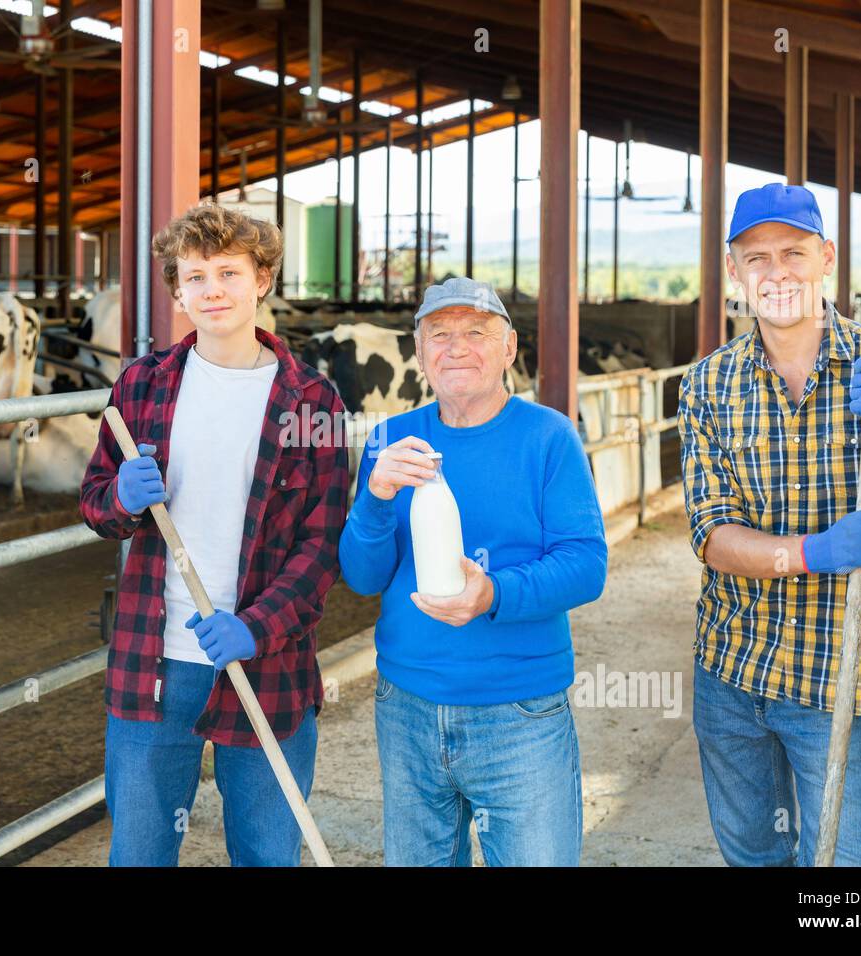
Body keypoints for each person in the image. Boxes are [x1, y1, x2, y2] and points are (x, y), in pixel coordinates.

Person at [678, 182, 861, 866]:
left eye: (794, 252)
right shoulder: (708, 385)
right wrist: (813, 552)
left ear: (826, 257)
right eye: (757, 258)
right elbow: (711, 536)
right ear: (734, 270)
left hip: (833, 677)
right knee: (755, 859)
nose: (776, 272)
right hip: (731, 673)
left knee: (845, 871)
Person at [78, 202, 349, 866]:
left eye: (228, 272)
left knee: (266, 852)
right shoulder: (142, 386)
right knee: (138, 852)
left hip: (268, 663)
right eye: (194, 276)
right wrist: (119, 498)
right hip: (154, 665)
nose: (212, 290)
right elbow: (93, 503)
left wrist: (257, 624)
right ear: (177, 290)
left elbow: (321, 546)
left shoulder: (312, 403)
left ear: (262, 280)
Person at [338, 277, 608, 866]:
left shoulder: (549, 437)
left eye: (476, 332)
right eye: (440, 334)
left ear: (508, 348)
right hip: (406, 703)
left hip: (520, 713)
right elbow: (362, 577)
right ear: (419, 351)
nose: (456, 347)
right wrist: (376, 497)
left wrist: (494, 594)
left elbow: (586, 566)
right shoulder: (392, 442)